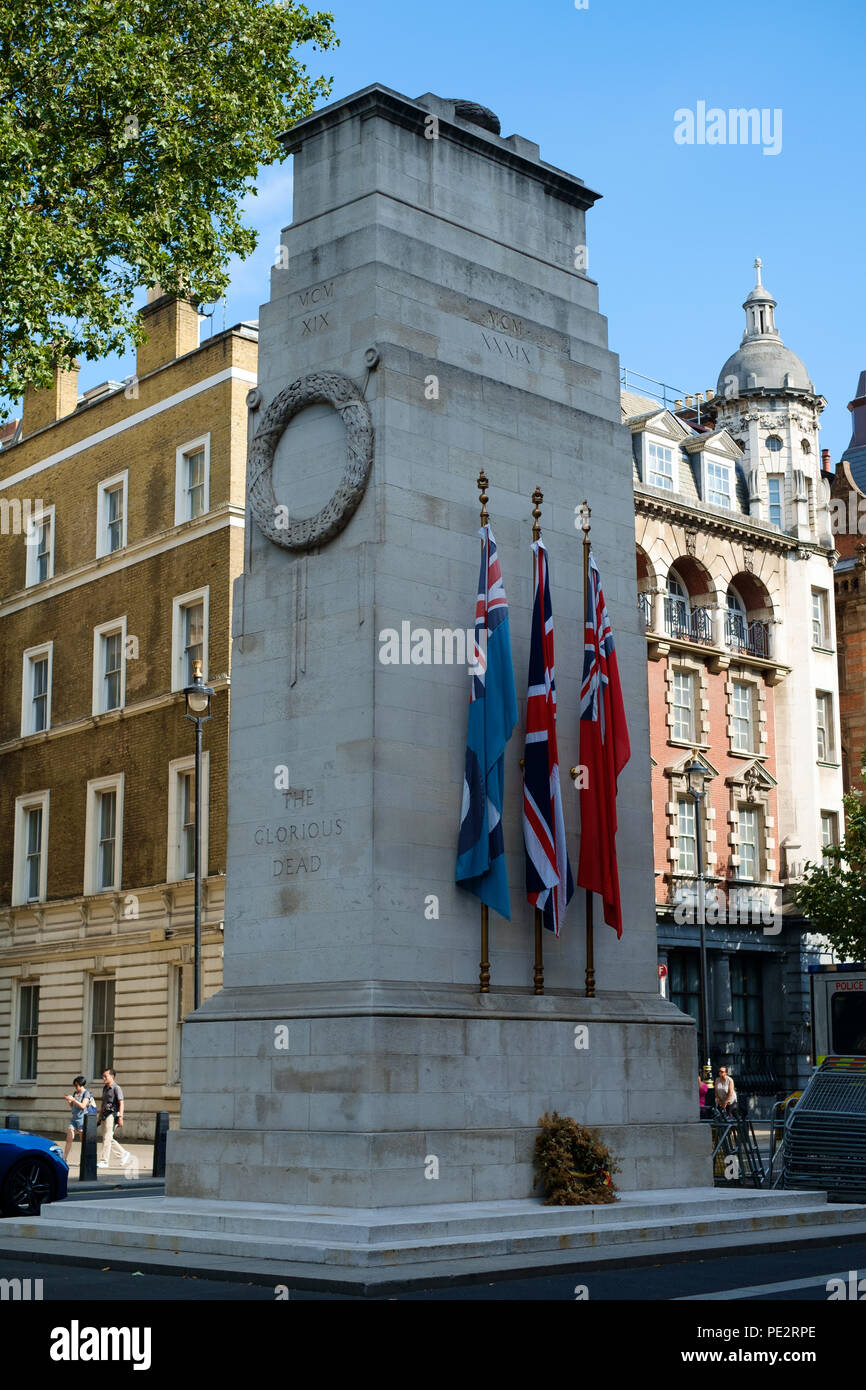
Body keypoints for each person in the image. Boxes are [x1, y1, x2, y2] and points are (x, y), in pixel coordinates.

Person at [98, 1067, 131, 1169]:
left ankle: (104, 1161)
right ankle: (123, 1153)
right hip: (104, 1114)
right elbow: (103, 1103)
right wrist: (99, 1116)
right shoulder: (105, 1088)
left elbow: (121, 1103)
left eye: (105, 1076)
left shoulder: (116, 1088)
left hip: (112, 1115)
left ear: (112, 1076)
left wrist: (120, 1117)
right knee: (107, 1138)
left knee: (107, 1138)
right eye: (103, 1076)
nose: (103, 1078)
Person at [63, 1076, 96, 1161]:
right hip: (74, 1119)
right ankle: (64, 1158)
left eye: (77, 1085)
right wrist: (69, 1101)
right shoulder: (75, 1093)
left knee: (83, 1142)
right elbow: (73, 1107)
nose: (75, 1087)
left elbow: (83, 1106)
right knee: (69, 1139)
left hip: (82, 1120)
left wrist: (73, 1100)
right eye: (75, 1085)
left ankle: (85, 1160)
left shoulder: (86, 1093)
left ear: (81, 1085)